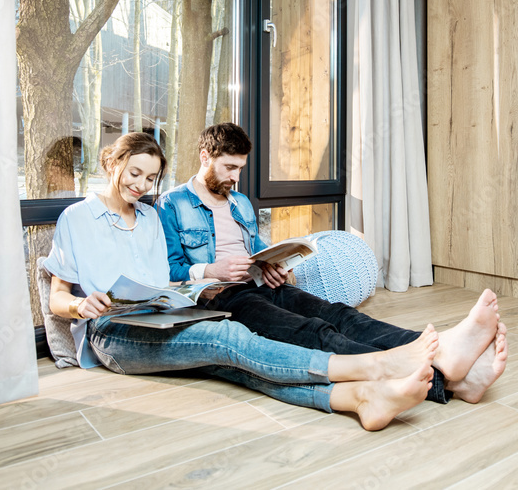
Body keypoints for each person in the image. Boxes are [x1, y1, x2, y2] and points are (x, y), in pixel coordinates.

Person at [43, 131, 442, 431]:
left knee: (233, 364)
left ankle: (359, 398)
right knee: (229, 339)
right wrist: (80, 304)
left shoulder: (148, 217)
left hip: (162, 316)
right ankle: (374, 367)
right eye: (135, 174)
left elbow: (166, 279)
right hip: (111, 330)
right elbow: (58, 298)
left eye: (150, 179)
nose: (142, 186)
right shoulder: (77, 218)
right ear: (111, 163)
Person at [155, 123, 508, 405]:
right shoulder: (171, 204)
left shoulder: (241, 203)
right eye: (230, 168)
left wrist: (273, 264)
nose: (236, 177)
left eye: (240, 169)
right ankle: (448, 378)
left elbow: (257, 249)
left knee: (341, 315)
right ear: (205, 156)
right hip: (221, 297)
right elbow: (168, 272)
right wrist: (211, 270)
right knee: (314, 332)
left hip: (261, 284)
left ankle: (446, 359)